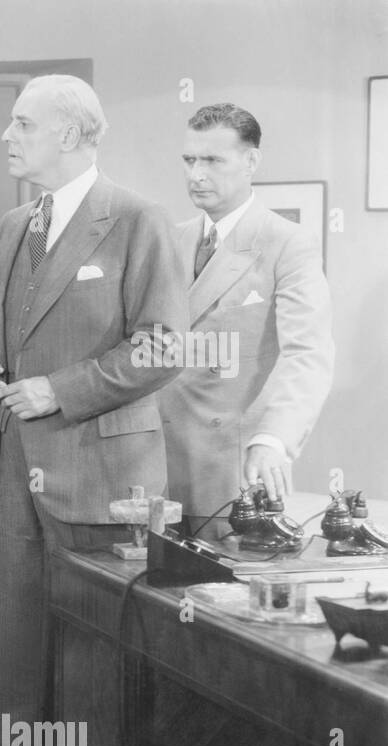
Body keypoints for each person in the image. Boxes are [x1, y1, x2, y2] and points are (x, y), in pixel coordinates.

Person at [0, 75, 187, 746]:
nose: (8, 137)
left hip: (104, 479)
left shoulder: (139, 220)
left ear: (75, 135)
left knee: (96, 667)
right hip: (16, 473)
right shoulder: (17, 223)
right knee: (17, 654)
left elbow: (161, 346)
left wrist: (60, 389)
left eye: (23, 125)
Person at [160, 103, 334, 533]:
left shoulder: (287, 244)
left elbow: (307, 355)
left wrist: (274, 439)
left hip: (231, 470)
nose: (196, 174)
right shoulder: (169, 239)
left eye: (213, 160)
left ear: (251, 161)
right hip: (156, 464)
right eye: (190, 160)